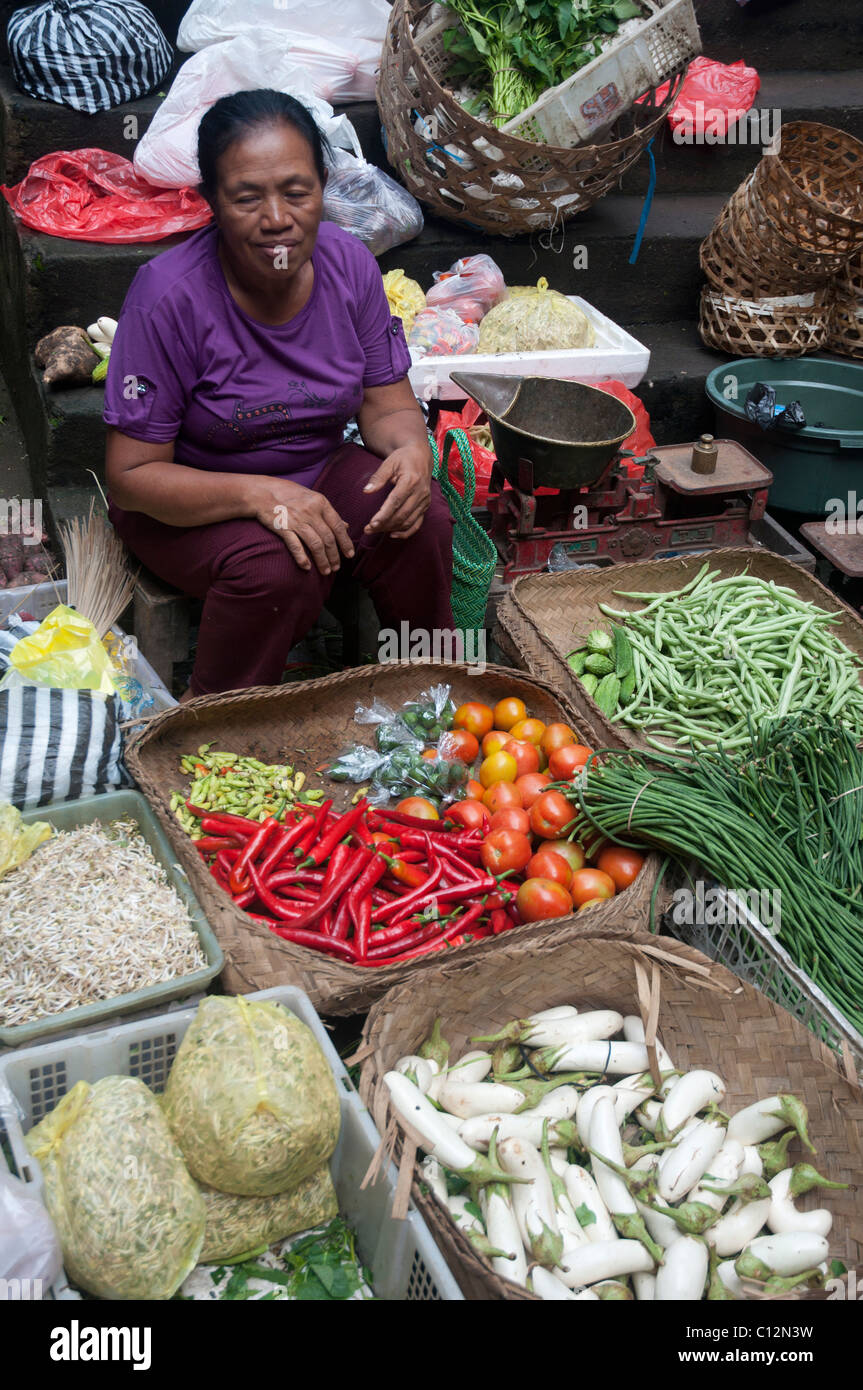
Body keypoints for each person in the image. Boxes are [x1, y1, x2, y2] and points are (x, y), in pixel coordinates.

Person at [103, 88, 454, 698]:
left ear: (324, 186)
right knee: (275, 566)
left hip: (314, 469)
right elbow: (133, 475)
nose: (276, 219)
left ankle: (427, 692)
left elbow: (388, 404)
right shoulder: (169, 296)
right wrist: (262, 495)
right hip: (187, 500)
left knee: (417, 518)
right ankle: (216, 725)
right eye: (246, 197)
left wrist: (411, 449)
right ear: (210, 201)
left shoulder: (350, 266)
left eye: (297, 191)